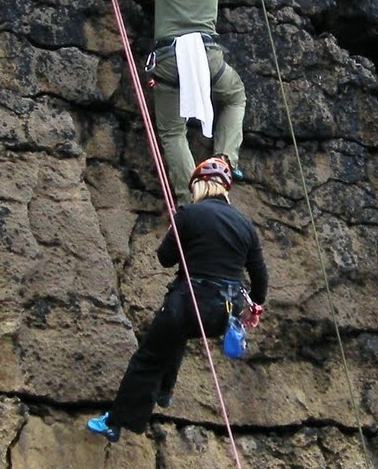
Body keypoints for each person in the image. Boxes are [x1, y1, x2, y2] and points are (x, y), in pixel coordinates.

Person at [87, 157, 267, 442]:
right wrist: (254, 307)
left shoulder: (188, 214)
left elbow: (164, 258)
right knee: (176, 335)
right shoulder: (246, 225)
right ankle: (164, 390)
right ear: (225, 189)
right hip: (223, 313)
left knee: (149, 357)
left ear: (198, 185)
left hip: (189, 301)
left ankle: (116, 421)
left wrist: (176, 228)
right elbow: (260, 277)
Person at [107, 0, 248, 199]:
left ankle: (190, 197)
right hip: (208, 56)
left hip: (170, 58)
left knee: (173, 132)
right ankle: (224, 160)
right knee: (234, 96)